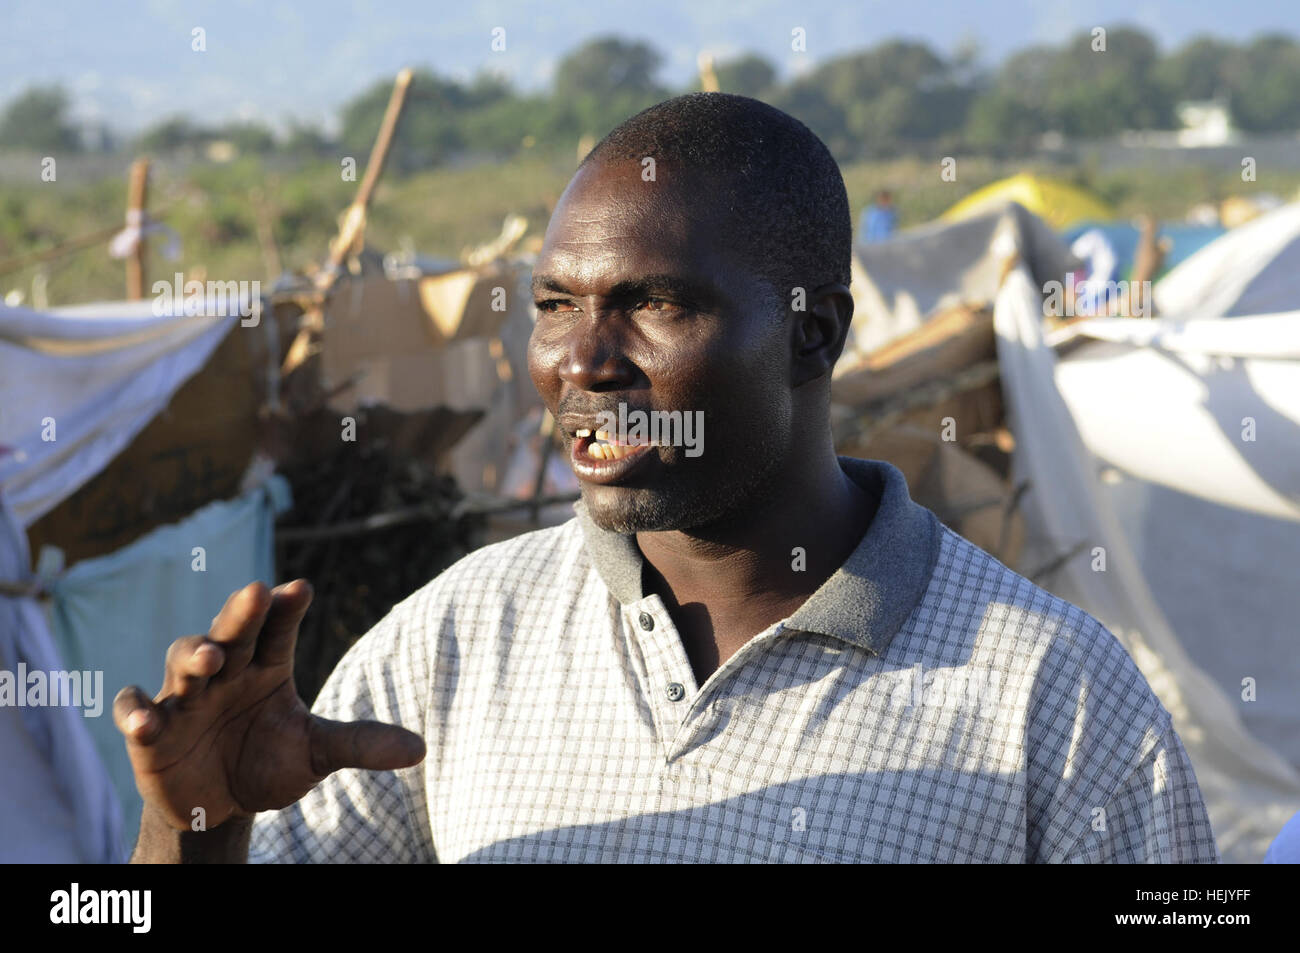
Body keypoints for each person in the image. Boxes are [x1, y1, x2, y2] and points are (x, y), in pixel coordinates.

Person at [116, 93, 1218, 864]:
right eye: (554, 302)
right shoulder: (453, 642)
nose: (581, 360)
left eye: (656, 304)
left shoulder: (1052, 698)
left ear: (810, 334)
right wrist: (195, 830)